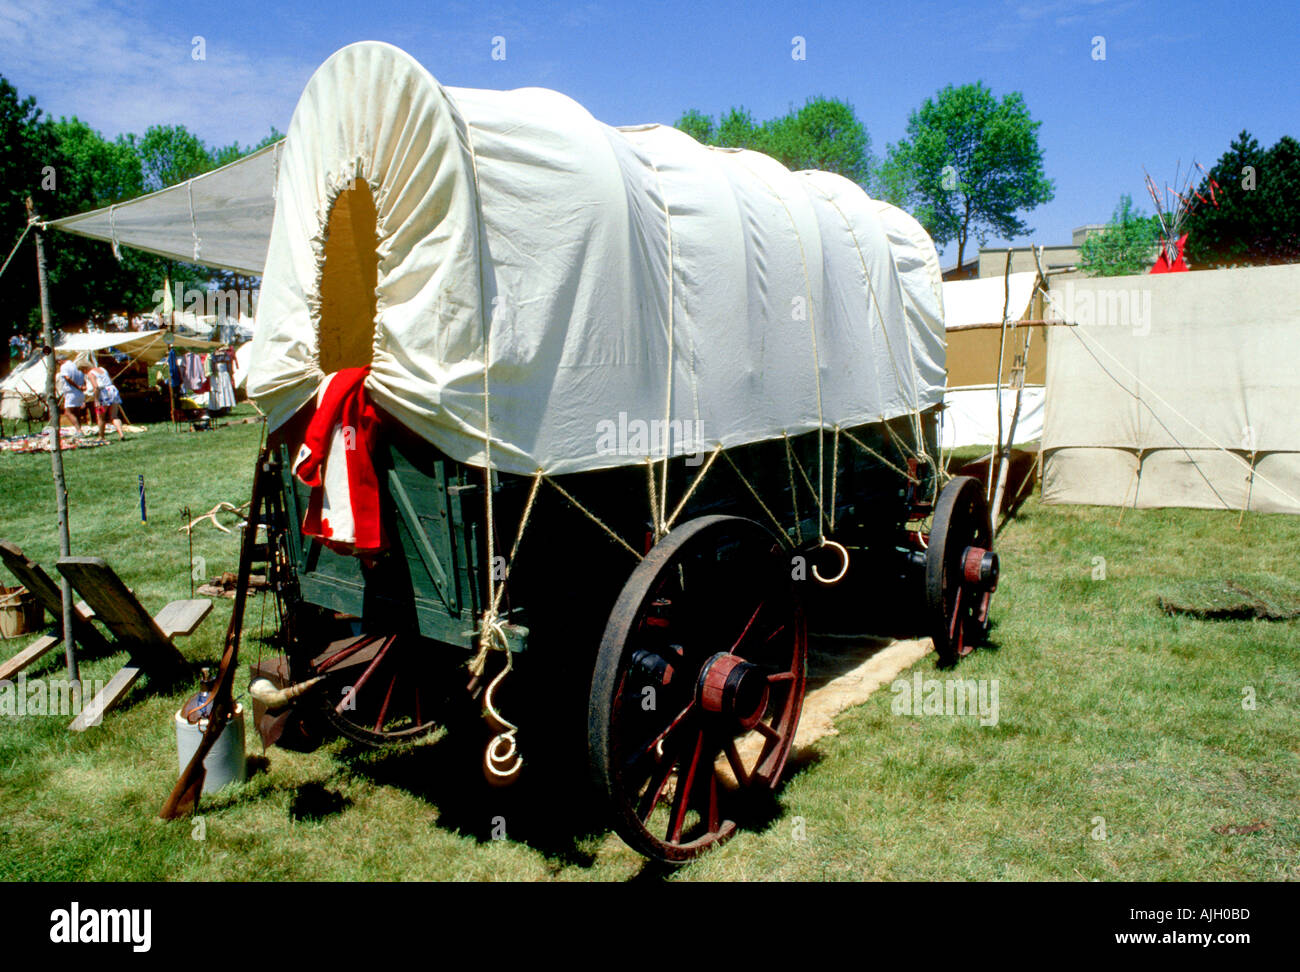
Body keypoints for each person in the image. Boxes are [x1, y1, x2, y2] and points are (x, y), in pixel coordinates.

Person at [84, 360, 125, 441]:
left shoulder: (90, 373)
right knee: (114, 416)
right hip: (112, 390)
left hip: (103, 394)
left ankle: (101, 436)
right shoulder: (102, 369)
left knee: (100, 417)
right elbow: (110, 380)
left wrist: (96, 400)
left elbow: (96, 387)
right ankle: (121, 434)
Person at [55, 356, 86, 435]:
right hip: (79, 392)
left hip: (71, 391)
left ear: (60, 360)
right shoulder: (75, 365)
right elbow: (84, 376)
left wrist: (77, 386)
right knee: (76, 412)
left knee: (68, 412)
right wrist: (82, 386)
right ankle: (79, 429)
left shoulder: (64, 366)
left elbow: (67, 378)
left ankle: (79, 431)